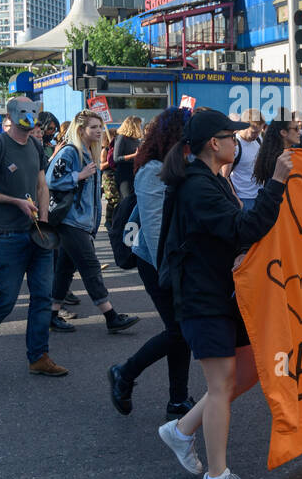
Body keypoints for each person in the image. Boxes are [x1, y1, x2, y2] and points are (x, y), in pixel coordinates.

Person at [155, 109, 293, 479]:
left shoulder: (210, 179)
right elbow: (242, 229)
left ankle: (181, 431)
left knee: (247, 372)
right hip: (202, 297)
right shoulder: (197, 186)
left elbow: (231, 235)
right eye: (231, 137)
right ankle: (217, 478)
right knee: (221, 386)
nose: (239, 142)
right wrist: (278, 184)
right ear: (214, 144)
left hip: (222, 292)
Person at [0, 96, 66, 375]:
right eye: (23, 110)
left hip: (36, 234)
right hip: (5, 234)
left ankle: (38, 357)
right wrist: (16, 202)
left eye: (33, 110)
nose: (29, 115)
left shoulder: (36, 145)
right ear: (10, 115)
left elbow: (42, 185)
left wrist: (43, 219)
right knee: (6, 298)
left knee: (43, 297)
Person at [109, 109, 195, 418]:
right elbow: (157, 230)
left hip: (174, 259)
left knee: (180, 329)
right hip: (156, 260)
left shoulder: (183, 163)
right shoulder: (152, 170)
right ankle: (125, 372)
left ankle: (177, 399)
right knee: (179, 329)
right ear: (176, 136)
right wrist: (172, 274)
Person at [47, 110, 140, 335]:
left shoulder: (88, 152)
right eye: (93, 127)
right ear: (81, 130)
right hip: (70, 221)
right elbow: (51, 178)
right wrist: (77, 176)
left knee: (65, 270)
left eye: (100, 126)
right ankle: (111, 316)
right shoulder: (71, 151)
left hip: (81, 221)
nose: (99, 131)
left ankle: (52, 313)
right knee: (90, 267)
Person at [221, 109, 265, 206]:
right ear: (244, 126)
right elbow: (224, 177)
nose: (256, 135)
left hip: (259, 196)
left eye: (259, 132)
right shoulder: (234, 145)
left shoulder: (259, 140)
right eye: (253, 132)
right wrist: (236, 200)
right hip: (242, 198)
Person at [253, 116, 301, 184]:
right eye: (296, 129)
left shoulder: (275, 154)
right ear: (283, 132)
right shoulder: (278, 159)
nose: (299, 132)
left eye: (299, 128)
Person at [112, 116, 144, 201]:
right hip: (124, 173)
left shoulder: (137, 140)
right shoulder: (122, 137)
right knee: (126, 200)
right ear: (133, 126)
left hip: (134, 172)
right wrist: (134, 155)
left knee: (133, 200)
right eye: (139, 125)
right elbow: (116, 158)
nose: (140, 127)